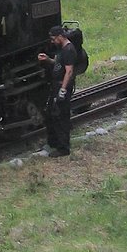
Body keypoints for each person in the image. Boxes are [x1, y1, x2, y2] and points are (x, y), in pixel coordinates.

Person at [38, 25, 77, 155]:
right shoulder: (61, 49)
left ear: (60, 37)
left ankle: (63, 147)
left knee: (61, 116)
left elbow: (69, 71)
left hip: (61, 86)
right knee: (51, 114)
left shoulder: (69, 50)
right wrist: (48, 60)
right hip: (56, 85)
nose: (52, 41)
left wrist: (63, 90)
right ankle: (53, 142)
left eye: (54, 38)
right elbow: (59, 63)